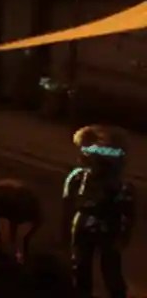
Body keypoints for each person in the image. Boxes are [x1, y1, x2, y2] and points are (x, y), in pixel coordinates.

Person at [64, 125, 134, 298]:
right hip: (102, 225)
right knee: (92, 268)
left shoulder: (79, 176)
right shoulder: (82, 176)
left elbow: (68, 204)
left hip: (97, 224)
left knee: (96, 268)